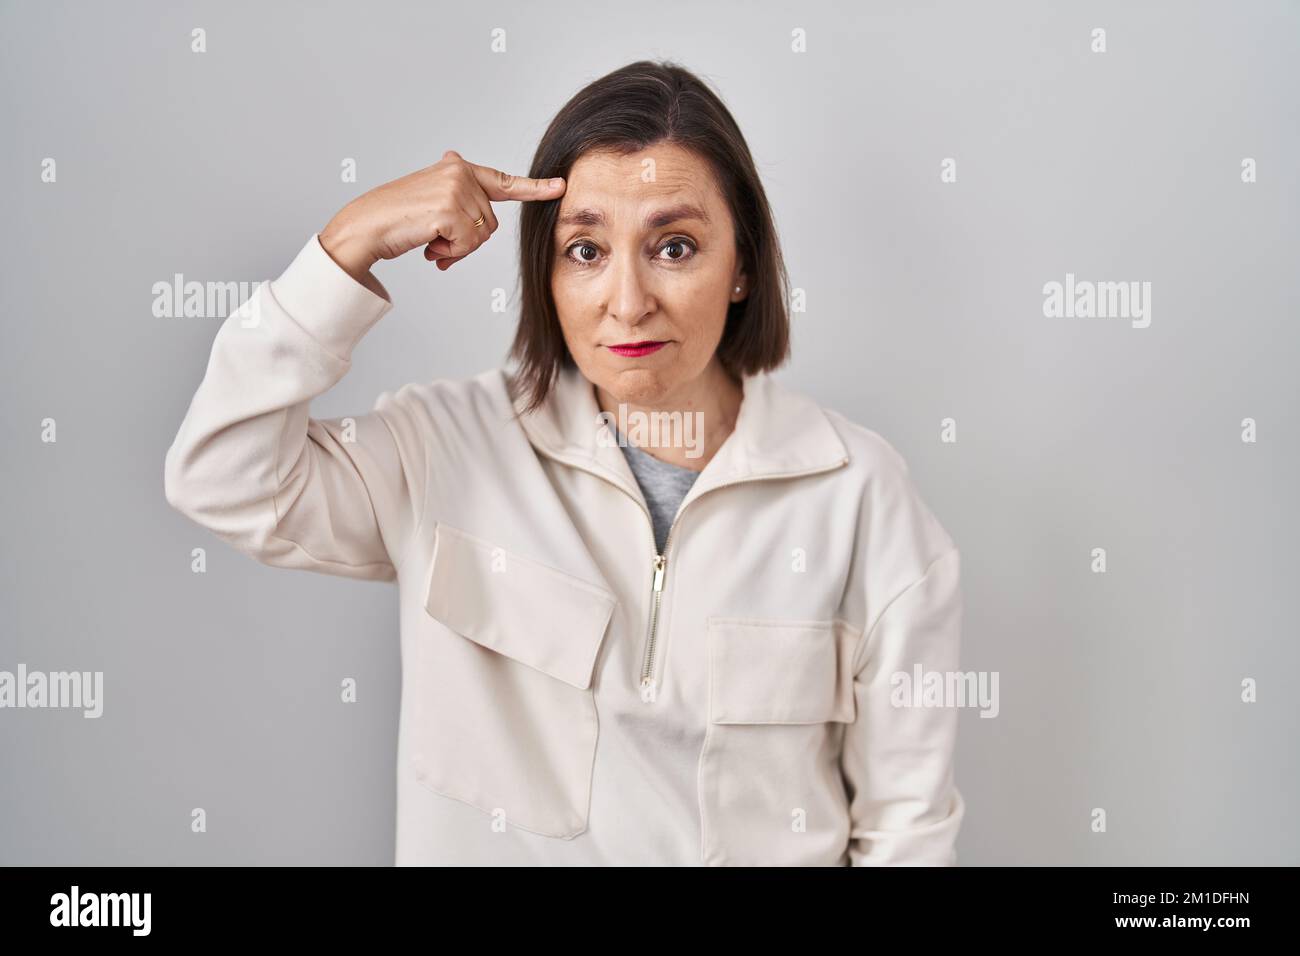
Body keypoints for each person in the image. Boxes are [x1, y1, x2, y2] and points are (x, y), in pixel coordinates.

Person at [163, 59, 966, 866]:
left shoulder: (860, 497)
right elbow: (223, 475)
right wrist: (348, 243)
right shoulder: (447, 448)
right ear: (544, 272)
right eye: (585, 250)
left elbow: (908, 832)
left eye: (675, 246)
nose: (627, 300)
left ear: (744, 268)